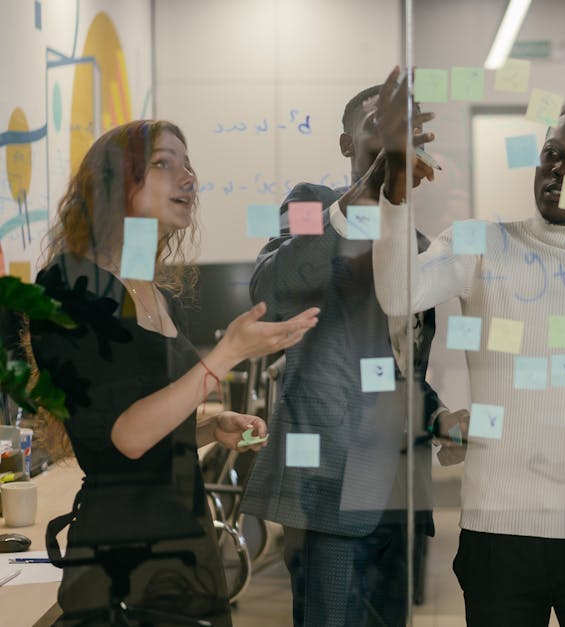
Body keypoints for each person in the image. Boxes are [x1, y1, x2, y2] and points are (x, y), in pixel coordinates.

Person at [368, 67, 565, 627]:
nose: (561, 169)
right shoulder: (481, 243)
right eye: (552, 154)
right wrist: (394, 184)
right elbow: (397, 294)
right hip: (498, 533)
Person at [28, 119, 318, 625]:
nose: (188, 178)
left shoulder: (157, 295)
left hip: (186, 543)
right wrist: (226, 354)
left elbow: (153, 420)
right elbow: (128, 437)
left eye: (188, 165)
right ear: (113, 183)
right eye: (163, 164)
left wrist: (206, 427)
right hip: (124, 557)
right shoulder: (70, 288)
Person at [240, 84, 463, 627]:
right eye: (377, 126)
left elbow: (401, 368)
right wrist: (366, 196)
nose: (393, 139)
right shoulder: (314, 205)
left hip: (399, 492)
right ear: (346, 144)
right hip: (329, 488)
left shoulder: (415, 246)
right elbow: (272, 289)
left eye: (404, 128)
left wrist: (435, 414)